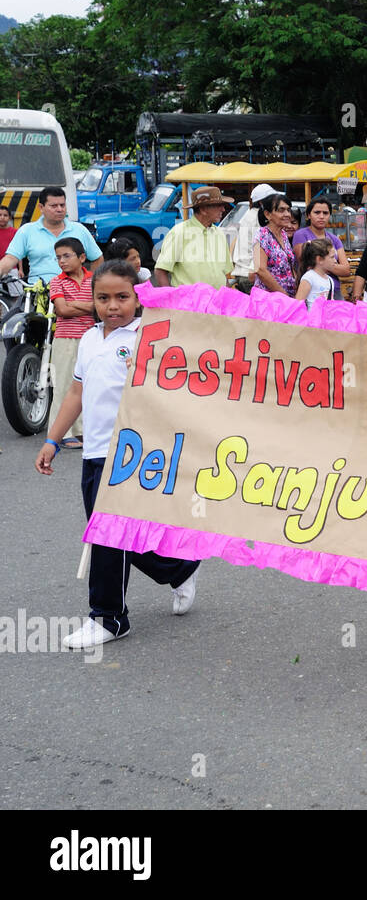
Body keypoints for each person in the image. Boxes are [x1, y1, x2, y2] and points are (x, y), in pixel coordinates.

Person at [35, 260, 202, 649]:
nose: (113, 306)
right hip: (93, 453)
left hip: (134, 454)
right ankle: (179, 568)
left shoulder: (151, 335)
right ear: (92, 301)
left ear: (138, 297)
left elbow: (177, 388)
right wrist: (52, 440)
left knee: (107, 534)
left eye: (122, 297)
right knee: (112, 532)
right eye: (103, 298)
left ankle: (109, 618)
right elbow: (76, 393)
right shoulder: (90, 339)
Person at [48, 237, 96, 449]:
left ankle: (82, 430)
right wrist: (88, 306)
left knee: (88, 385)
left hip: (91, 337)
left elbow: (100, 307)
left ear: (82, 257)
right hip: (65, 339)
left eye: (67, 256)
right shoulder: (57, 281)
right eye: (58, 257)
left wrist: (75, 304)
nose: (62, 261)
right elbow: (62, 310)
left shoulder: (94, 279)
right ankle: (62, 432)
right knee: (64, 385)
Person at [1, 187, 103, 285]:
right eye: (54, 206)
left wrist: (91, 284)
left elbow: (97, 258)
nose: (59, 209)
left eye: (62, 205)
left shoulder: (79, 230)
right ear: (41, 207)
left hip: (73, 295)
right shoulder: (27, 231)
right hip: (39, 294)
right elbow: (10, 258)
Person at [251, 193, 298, 296]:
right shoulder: (262, 234)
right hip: (268, 299)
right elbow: (260, 269)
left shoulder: (283, 234)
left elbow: (289, 265)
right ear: (268, 214)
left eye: (288, 210)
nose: (287, 214)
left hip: (286, 298)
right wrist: (283, 294)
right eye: (281, 210)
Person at [292, 197, 350, 277]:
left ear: (330, 215)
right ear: (309, 215)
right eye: (317, 212)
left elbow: (346, 270)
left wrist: (321, 264)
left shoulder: (334, 239)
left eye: (325, 213)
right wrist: (333, 265)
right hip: (311, 287)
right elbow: (306, 264)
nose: (321, 216)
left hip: (333, 287)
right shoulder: (300, 235)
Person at [295, 238, 349, 309]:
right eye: (332, 257)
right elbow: (297, 304)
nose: (335, 261)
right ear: (319, 259)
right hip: (312, 319)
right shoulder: (309, 278)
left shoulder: (329, 279)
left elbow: (330, 302)